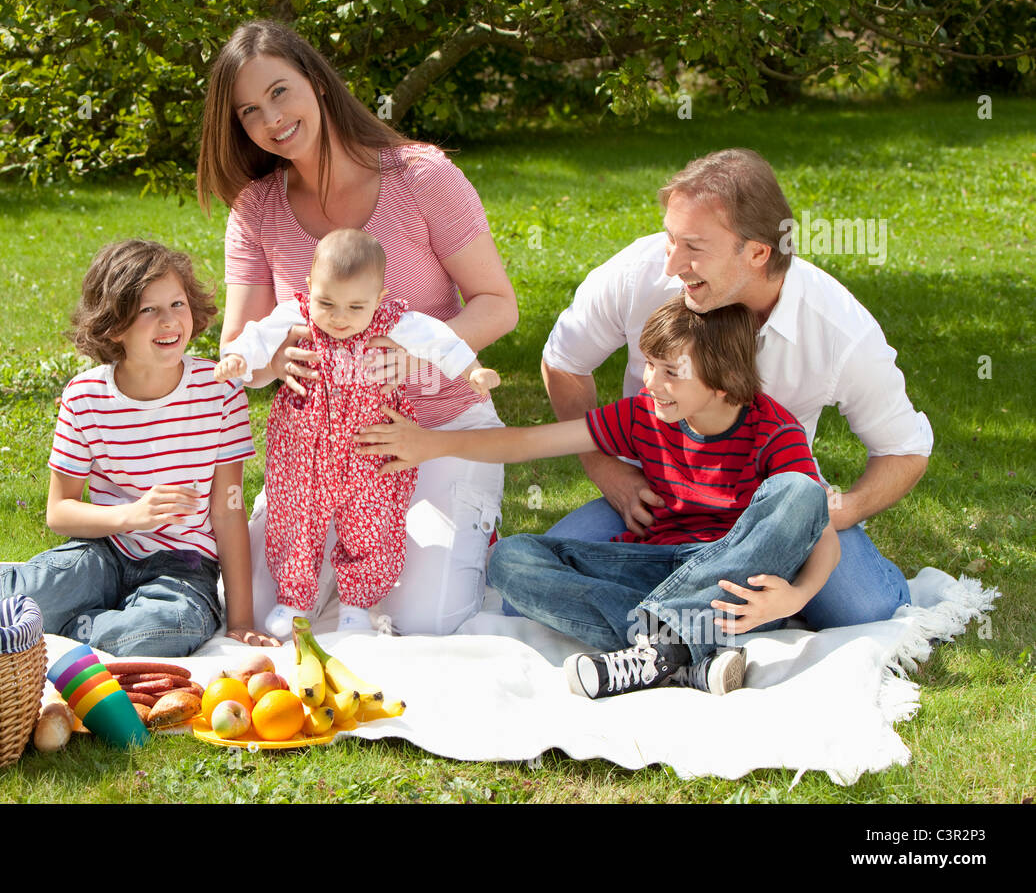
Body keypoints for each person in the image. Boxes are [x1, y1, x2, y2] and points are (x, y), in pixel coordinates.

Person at [196, 19, 518, 636]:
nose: (270, 119)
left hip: (444, 428)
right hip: (322, 450)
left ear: (316, 82)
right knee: (263, 607)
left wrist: (413, 356)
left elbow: (497, 303)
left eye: (281, 92)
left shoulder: (422, 177)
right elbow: (240, 350)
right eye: (249, 111)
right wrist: (271, 364)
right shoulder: (257, 209)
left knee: (419, 620)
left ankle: (472, 531)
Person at [356, 296, 839, 698]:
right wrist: (431, 443)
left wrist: (793, 598)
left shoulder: (774, 430)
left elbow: (825, 537)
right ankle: (680, 654)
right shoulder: (644, 413)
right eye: (649, 365)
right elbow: (530, 442)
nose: (651, 383)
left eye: (671, 371)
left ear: (721, 379)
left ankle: (659, 648)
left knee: (800, 492)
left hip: (728, 577)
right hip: (656, 567)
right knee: (511, 558)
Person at [539, 148, 931, 629]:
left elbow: (904, 450)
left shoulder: (839, 331)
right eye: (670, 239)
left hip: (772, 518)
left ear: (758, 251)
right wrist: (607, 473)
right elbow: (563, 363)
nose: (671, 264)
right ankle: (678, 621)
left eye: (694, 247)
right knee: (529, 590)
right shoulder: (635, 274)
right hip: (659, 499)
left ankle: (686, 608)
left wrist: (841, 511)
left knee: (865, 611)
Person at [0, 239, 278, 654]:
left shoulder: (219, 392)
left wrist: (239, 621)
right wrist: (130, 515)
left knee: (164, 630)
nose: (169, 322)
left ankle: (56, 624)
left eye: (177, 304)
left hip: (184, 567)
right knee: (17, 599)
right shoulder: (85, 397)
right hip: (103, 550)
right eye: (148, 310)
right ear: (115, 324)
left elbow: (228, 509)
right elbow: (59, 511)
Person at [216, 228, 500, 638]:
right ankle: (294, 598)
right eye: (326, 302)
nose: (338, 317)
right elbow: (257, 335)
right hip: (305, 453)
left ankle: (357, 603)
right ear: (309, 286)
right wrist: (238, 357)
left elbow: (440, 340)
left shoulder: (395, 321)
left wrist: (470, 370)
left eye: (355, 306)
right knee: (294, 521)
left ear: (379, 299)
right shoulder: (297, 313)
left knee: (370, 523)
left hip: (369, 451)